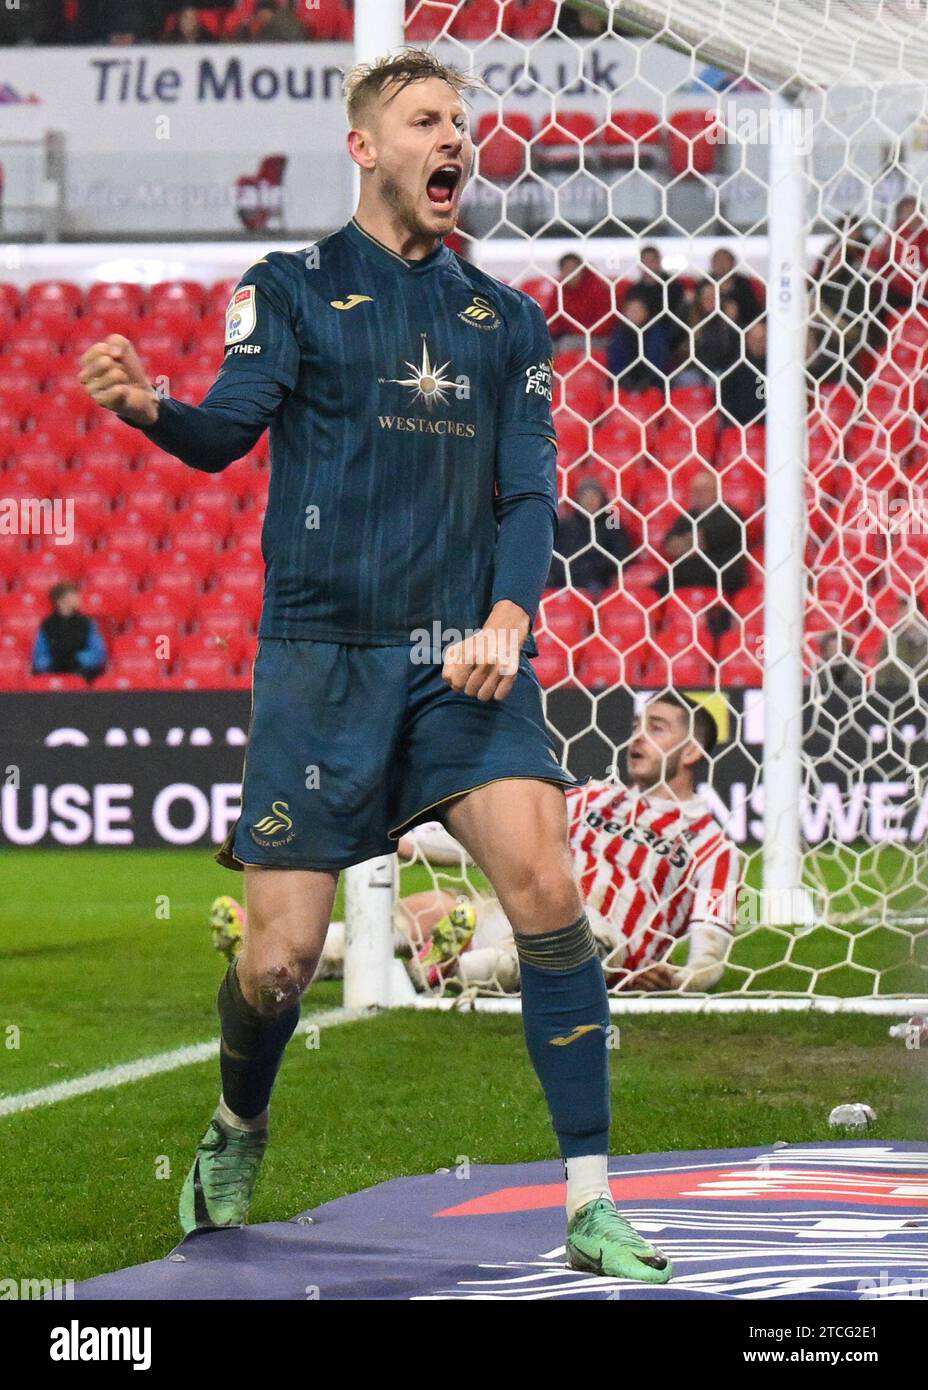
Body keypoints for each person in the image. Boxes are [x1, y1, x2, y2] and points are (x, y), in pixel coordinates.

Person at [78, 48, 670, 1285]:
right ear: (366, 148)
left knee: (546, 884)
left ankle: (591, 1196)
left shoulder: (505, 322)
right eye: (426, 120)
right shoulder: (289, 288)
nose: (455, 138)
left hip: (461, 664)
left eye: (463, 120)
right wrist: (149, 409)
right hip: (319, 666)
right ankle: (239, 1122)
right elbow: (229, 430)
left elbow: (528, 490)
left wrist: (509, 616)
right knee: (279, 960)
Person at [395, 693, 738, 997]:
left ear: (691, 750)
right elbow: (500, 840)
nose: (638, 737)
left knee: (581, 936)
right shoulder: (592, 797)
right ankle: (349, 951)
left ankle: (452, 971)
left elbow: (711, 946)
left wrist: (681, 979)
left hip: (603, 947)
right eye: (636, 725)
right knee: (437, 907)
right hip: (525, 914)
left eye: (657, 728)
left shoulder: (714, 846)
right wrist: (406, 844)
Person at [659, 469, 746, 598]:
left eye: (704, 489)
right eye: (694, 490)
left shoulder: (731, 516)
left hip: (721, 579)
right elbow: (668, 547)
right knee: (654, 590)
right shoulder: (688, 516)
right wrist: (693, 543)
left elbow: (702, 541)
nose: (698, 494)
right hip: (686, 577)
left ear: (717, 491)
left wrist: (688, 544)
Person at [547, 480, 632, 594]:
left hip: (595, 580)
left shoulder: (611, 524)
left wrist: (596, 568)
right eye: (585, 496)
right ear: (578, 499)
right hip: (563, 579)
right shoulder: (565, 525)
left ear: (602, 499)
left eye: (594, 496)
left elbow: (622, 553)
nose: (590, 500)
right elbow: (553, 554)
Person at [31, 581, 107, 682]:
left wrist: (76, 658)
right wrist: (54, 661)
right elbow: (39, 657)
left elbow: (97, 653)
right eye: (73, 595)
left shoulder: (87, 623)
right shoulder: (47, 625)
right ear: (60, 600)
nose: (78, 598)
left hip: (81, 672)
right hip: (53, 672)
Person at [867, 195, 928, 314]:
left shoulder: (921, 237)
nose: (914, 217)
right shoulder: (904, 240)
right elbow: (911, 273)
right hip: (904, 297)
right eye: (908, 213)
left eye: (916, 212)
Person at [606, 289, 670, 392]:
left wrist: (646, 383)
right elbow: (615, 361)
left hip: (652, 384)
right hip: (623, 384)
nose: (633, 314)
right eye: (630, 310)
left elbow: (658, 362)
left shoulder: (656, 333)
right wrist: (624, 381)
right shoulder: (619, 333)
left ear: (646, 312)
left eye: (637, 310)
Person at [547, 252, 614, 347]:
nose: (571, 273)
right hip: (568, 335)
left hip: (598, 338)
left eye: (574, 268)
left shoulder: (598, 287)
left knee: (566, 344)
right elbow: (552, 317)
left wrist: (577, 331)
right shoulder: (559, 289)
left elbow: (607, 322)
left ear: (582, 270)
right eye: (567, 269)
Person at [720, 319, 766, 427]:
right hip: (738, 424)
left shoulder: (776, 367)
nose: (759, 344)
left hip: (769, 425)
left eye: (763, 339)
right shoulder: (734, 367)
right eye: (756, 339)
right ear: (747, 340)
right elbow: (723, 397)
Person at [708, 247, 760, 326]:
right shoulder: (706, 282)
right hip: (710, 326)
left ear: (733, 263)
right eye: (717, 260)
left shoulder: (743, 284)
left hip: (741, 326)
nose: (721, 264)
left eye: (725, 260)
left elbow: (752, 309)